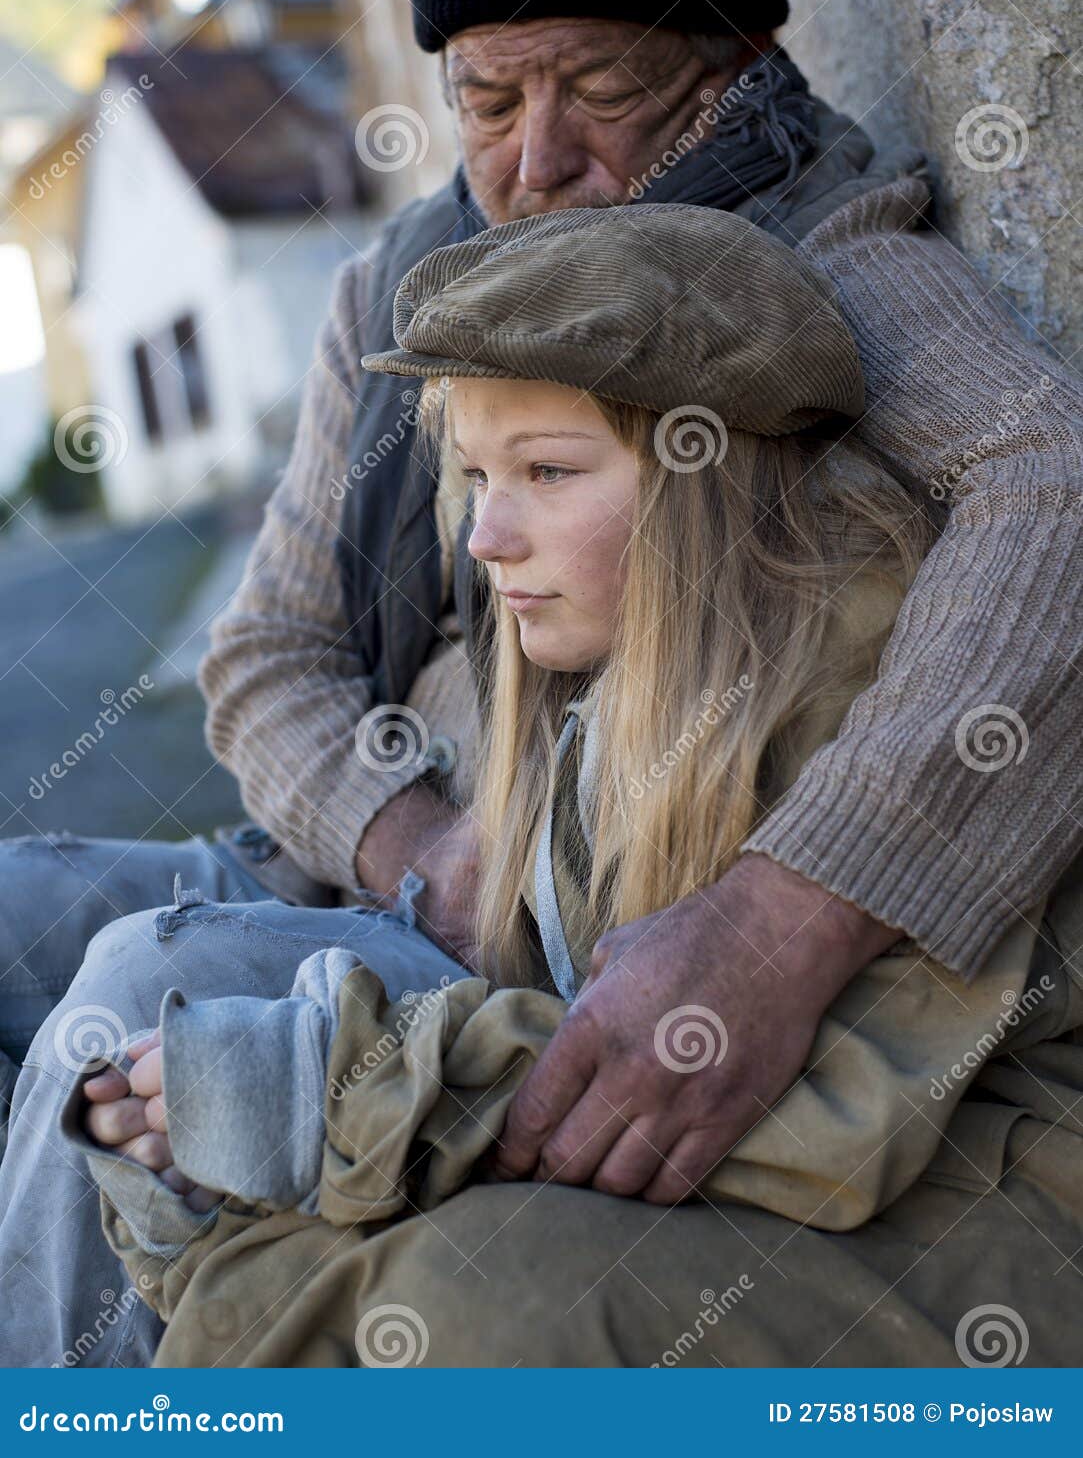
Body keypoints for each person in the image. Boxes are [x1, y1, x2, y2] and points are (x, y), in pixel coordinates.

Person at [2, 0, 1081, 1362]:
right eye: (490, 97)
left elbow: (1048, 483)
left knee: (132, 994)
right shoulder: (401, 289)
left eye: (601, 86)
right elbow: (266, 657)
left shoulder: (811, 261)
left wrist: (790, 915)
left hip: (536, 936)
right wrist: (426, 846)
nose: (540, 156)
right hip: (401, 863)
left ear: (727, 71)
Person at [60, 207, 1083, 1367]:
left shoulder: (861, 678)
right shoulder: (597, 705)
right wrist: (216, 1189)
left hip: (1006, 1216)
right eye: (478, 476)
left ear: (709, 477)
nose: (488, 537)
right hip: (809, 1213)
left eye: (549, 470)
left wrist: (341, 1090)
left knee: (489, 1294)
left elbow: (812, 1127)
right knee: (335, 1272)